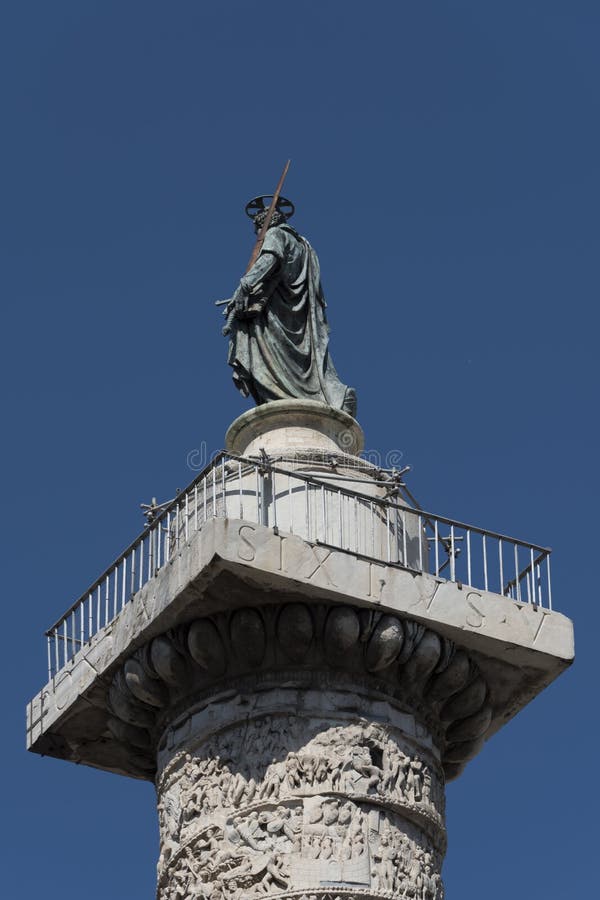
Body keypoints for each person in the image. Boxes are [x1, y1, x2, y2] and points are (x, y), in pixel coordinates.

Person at [221, 199, 356, 416]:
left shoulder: (275, 234)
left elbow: (269, 260)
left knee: (269, 361)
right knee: (300, 361)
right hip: (298, 315)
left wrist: (244, 286)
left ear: (264, 224)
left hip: (274, 316)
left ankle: (286, 397)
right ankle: (331, 395)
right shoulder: (304, 245)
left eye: (258, 228)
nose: (259, 233)